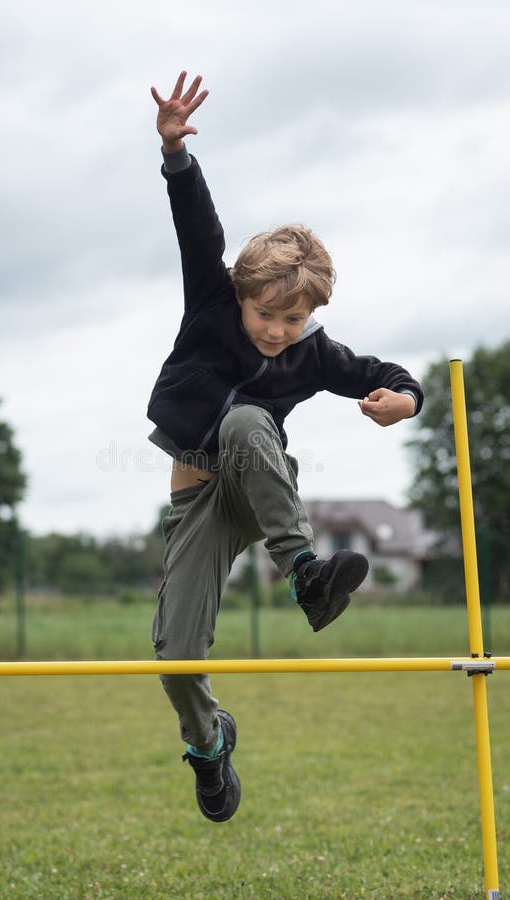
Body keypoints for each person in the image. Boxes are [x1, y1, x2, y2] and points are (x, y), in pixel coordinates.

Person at [147, 71, 423, 823]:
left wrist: (402, 400)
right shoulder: (210, 302)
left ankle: (305, 573)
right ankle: (209, 745)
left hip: (259, 486)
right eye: (266, 313)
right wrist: (175, 152)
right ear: (239, 295)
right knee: (174, 659)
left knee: (245, 425)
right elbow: (197, 225)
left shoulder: (312, 353)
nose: (276, 330)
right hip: (198, 503)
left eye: (292, 320)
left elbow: (385, 374)